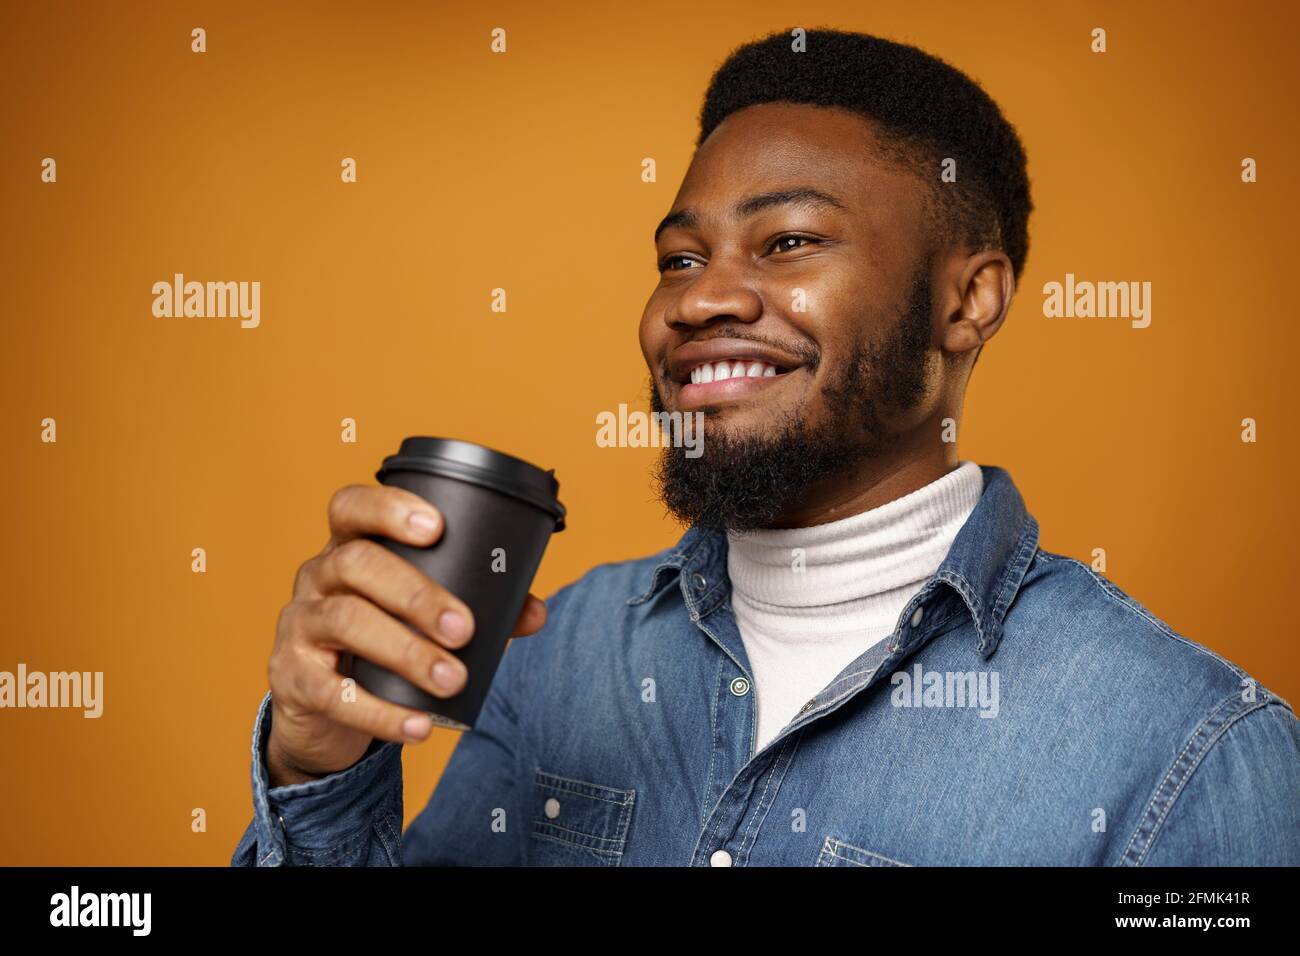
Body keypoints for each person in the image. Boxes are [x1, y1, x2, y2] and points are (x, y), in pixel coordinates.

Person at [232, 28, 1300, 866]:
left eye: (787, 241)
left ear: (968, 298)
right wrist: (315, 763)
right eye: (678, 256)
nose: (701, 297)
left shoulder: (1191, 746)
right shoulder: (556, 654)